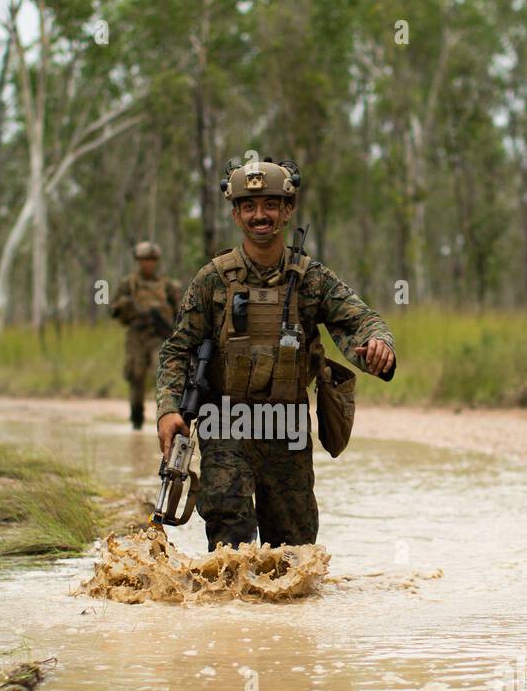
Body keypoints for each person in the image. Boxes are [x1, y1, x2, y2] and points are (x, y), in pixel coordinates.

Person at [156, 156, 396, 549]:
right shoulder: (212, 280)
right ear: (236, 214)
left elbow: (361, 320)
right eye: (249, 206)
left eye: (270, 205)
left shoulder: (312, 279)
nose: (260, 215)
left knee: (294, 552)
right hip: (225, 421)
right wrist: (168, 410)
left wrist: (379, 343)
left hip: (286, 426)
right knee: (230, 538)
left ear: (288, 210)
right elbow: (177, 350)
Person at [110, 241, 181, 429]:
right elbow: (113, 309)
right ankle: (136, 421)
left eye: (151, 260)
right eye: (144, 260)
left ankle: (165, 419)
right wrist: (125, 306)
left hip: (159, 336)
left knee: (163, 376)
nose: (147, 264)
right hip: (137, 336)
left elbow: (179, 314)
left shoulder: (168, 285)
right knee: (136, 376)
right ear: (138, 261)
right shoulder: (129, 284)